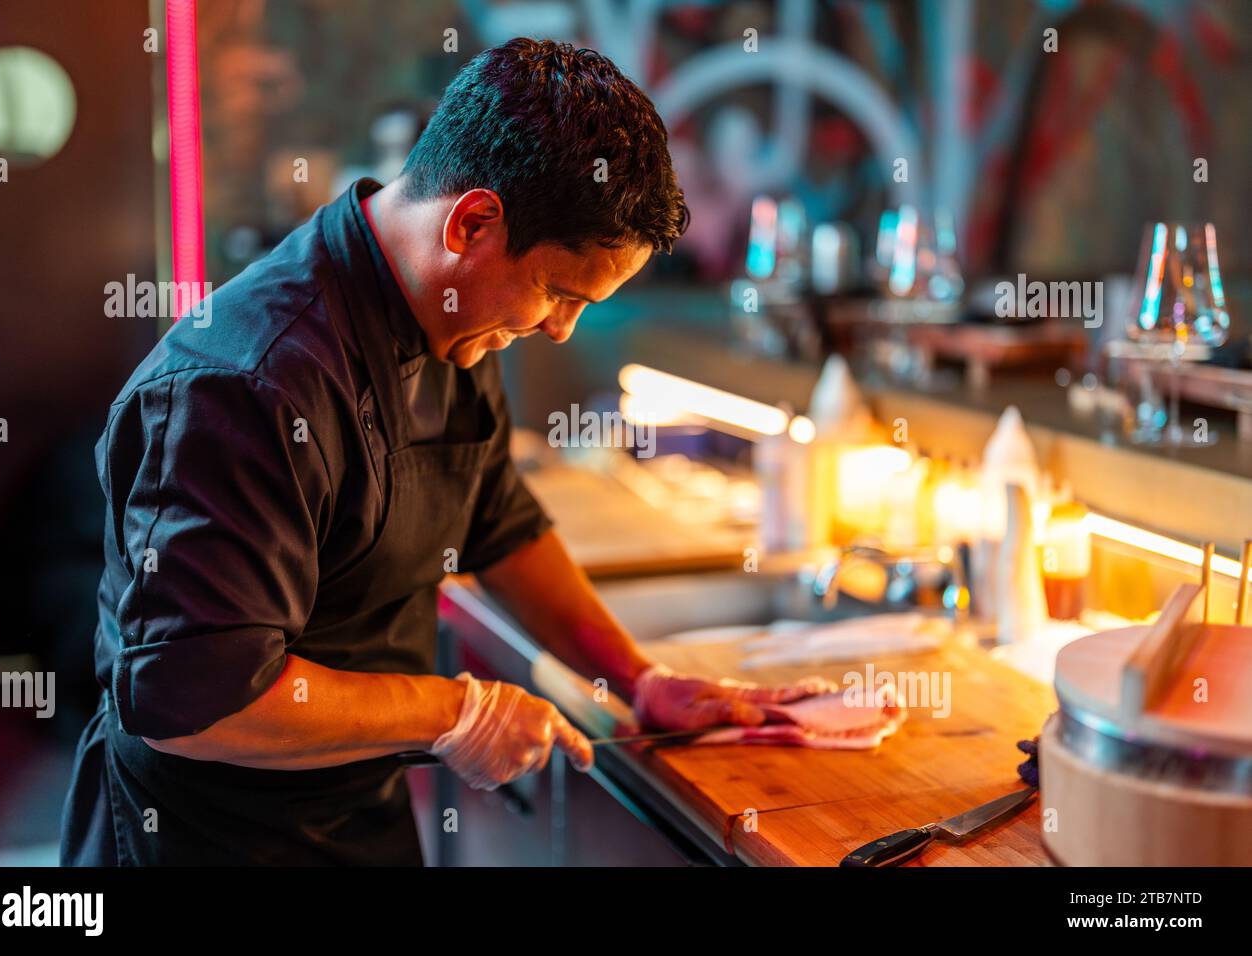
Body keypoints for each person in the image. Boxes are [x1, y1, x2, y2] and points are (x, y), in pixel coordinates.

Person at [61, 37, 822, 866]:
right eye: (561, 293)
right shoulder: (247, 383)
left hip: (358, 813)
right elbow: (193, 704)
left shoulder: (458, 323)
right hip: (205, 838)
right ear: (473, 222)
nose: (559, 328)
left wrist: (636, 682)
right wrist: (453, 712)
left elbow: (500, 523)